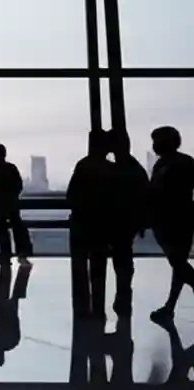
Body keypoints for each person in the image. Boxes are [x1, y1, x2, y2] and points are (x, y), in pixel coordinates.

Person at [66, 130, 115, 319]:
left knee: (79, 267)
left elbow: (71, 195)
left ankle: (81, 307)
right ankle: (98, 307)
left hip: (81, 222)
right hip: (101, 224)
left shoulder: (83, 166)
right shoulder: (111, 169)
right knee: (98, 266)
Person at [148, 125, 194, 324]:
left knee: (177, 263)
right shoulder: (185, 162)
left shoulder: (163, 166)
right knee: (178, 263)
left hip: (168, 220)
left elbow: (154, 194)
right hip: (183, 218)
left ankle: (170, 307)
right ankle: (170, 306)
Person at [109, 129, 147, 316]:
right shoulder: (135, 168)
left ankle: (123, 292)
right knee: (123, 257)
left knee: (121, 258)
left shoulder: (116, 168)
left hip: (120, 220)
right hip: (128, 220)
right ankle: (124, 292)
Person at [0, 143, 31, 264]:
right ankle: (21, 251)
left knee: (2, 230)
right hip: (12, 203)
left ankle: (5, 253)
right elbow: (19, 185)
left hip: (0, 204)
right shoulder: (12, 168)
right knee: (17, 228)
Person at [0, 260, 32, 368]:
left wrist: (14, 318)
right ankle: (6, 265)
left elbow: (16, 329)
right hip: (2, 313)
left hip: (10, 315)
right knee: (4, 288)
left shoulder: (12, 344)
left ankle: (24, 269)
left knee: (15, 293)